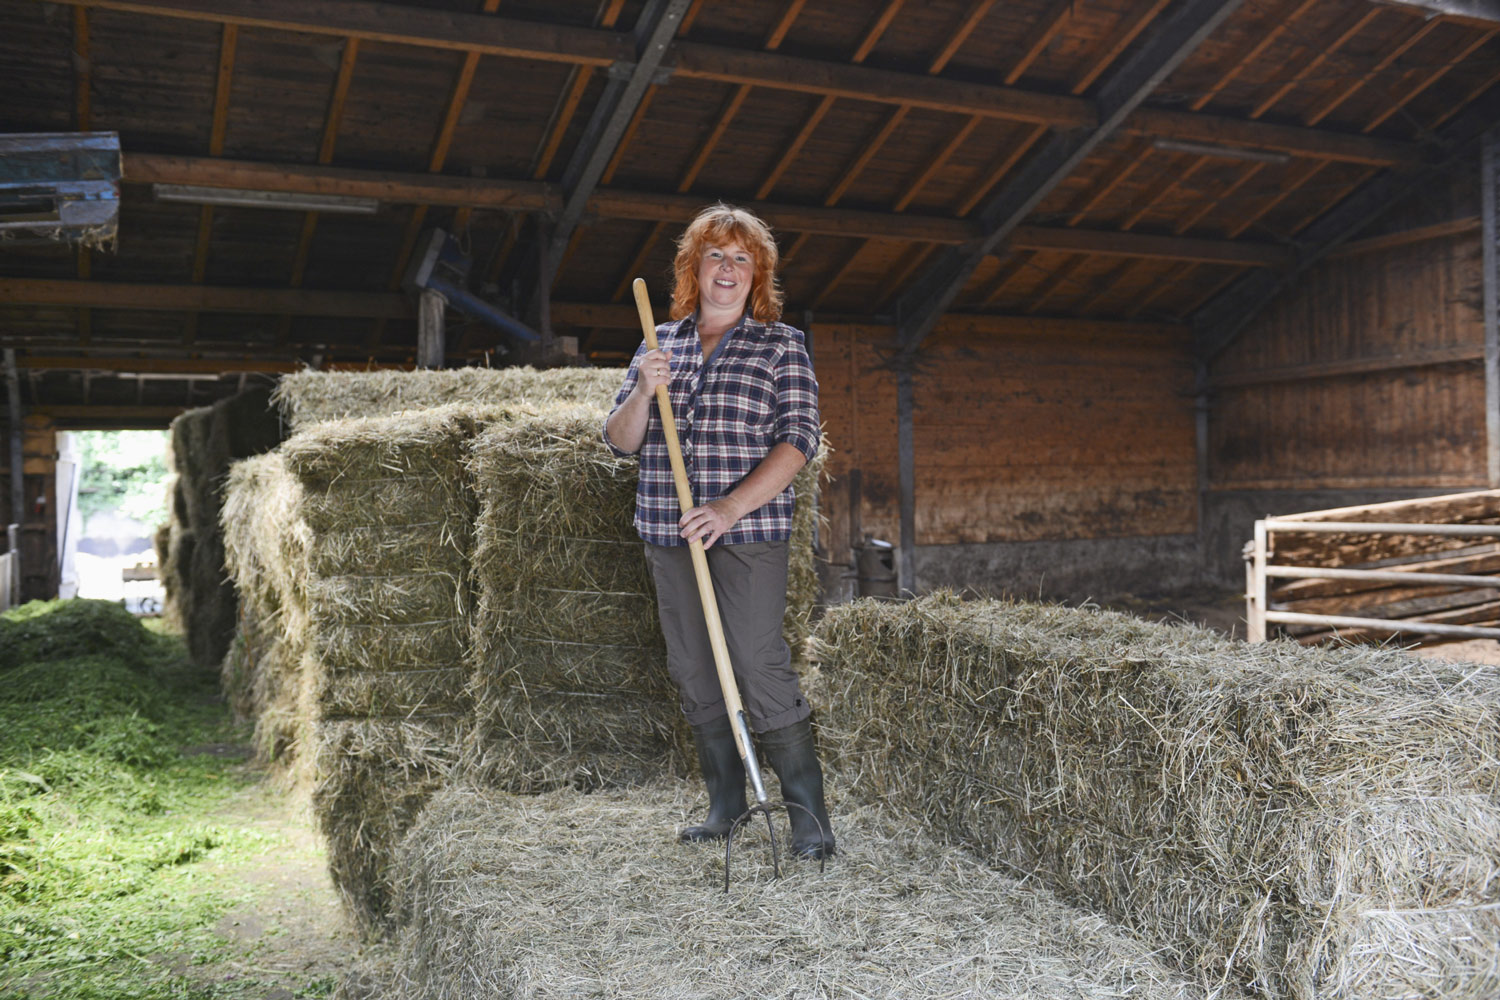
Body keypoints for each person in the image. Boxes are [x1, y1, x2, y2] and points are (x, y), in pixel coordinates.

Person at [603, 203, 834, 860]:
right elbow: (621, 443)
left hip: (747, 535)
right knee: (693, 668)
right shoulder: (659, 345)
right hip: (666, 531)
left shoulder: (780, 344)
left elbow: (798, 441)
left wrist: (730, 507)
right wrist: (644, 393)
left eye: (741, 258)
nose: (727, 269)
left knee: (759, 665)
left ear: (756, 272)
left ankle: (809, 822)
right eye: (715, 256)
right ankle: (726, 805)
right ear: (694, 268)